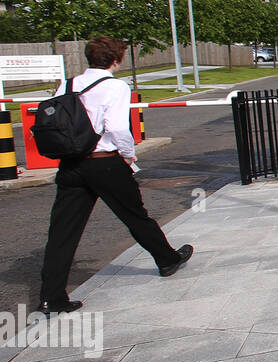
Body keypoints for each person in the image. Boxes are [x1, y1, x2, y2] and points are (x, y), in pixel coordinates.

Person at [36, 36, 193, 315]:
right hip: (104, 162)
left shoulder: (69, 83)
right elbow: (118, 127)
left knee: (62, 231)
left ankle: (51, 297)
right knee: (134, 215)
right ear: (116, 59)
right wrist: (129, 153)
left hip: (72, 164)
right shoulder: (115, 86)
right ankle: (167, 259)